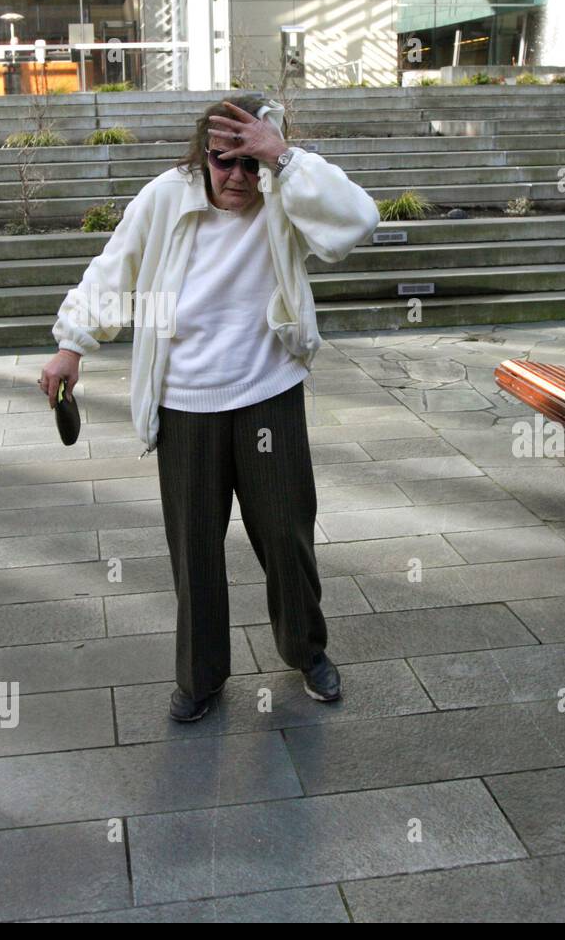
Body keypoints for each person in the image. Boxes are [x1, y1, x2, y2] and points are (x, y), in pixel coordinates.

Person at [39, 94, 380, 722]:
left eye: (253, 165)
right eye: (226, 162)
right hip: (185, 399)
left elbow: (358, 222)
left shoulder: (286, 194)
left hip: (266, 392)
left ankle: (307, 652)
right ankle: (200, 676)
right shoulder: (166, 197)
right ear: (204, 155)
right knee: (194, 546)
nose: (239, 179)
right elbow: (112, 270)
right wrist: (71, 345)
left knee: (286, 534)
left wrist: (284, 157)